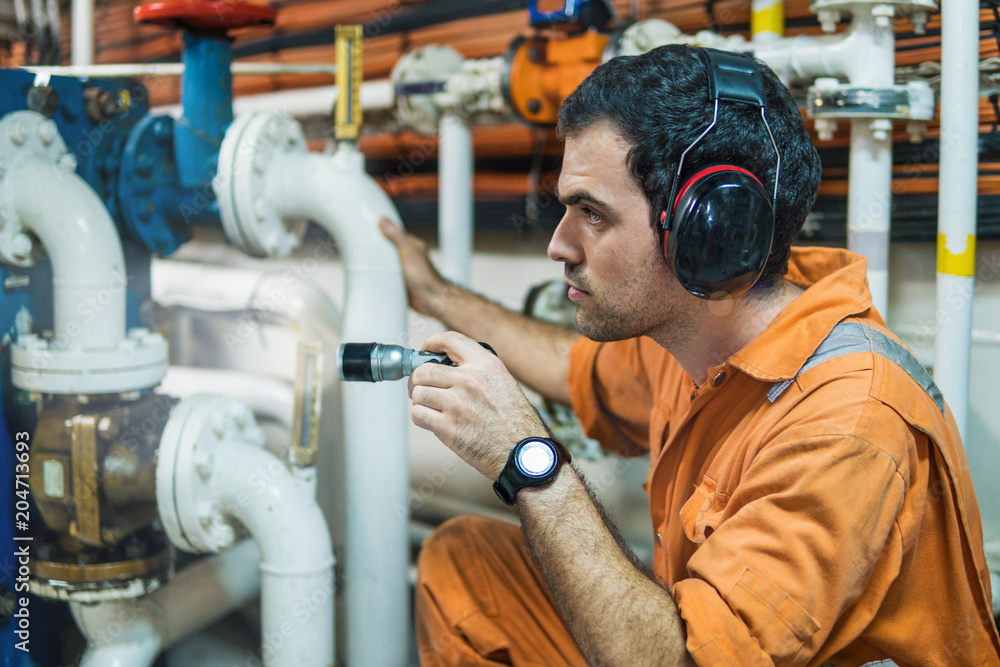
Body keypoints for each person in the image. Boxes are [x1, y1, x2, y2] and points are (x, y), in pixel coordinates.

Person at [379, 44, 1000, 666]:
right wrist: (434, 292)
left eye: (592, 214)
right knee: (469, 565)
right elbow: (573, 371)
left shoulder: (848, 425)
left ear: (708, 229)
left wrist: (526, 458)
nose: (558, 245)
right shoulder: (697, 334)